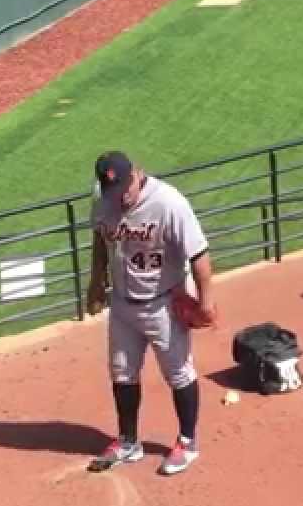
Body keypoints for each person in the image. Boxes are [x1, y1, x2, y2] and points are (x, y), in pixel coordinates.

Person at [84, 150, 216, 476]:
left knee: (179, 373)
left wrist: (205, 302)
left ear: (137, 173)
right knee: (122, 372)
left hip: (163, 304)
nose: (122, 196)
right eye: (114, 191)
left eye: (126, 186)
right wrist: (96, 282)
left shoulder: (169, 203)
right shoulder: (102, 202)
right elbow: (101, 239)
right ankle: (128, 442)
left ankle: (187, 443)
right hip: (123, 305)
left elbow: (199, 255)